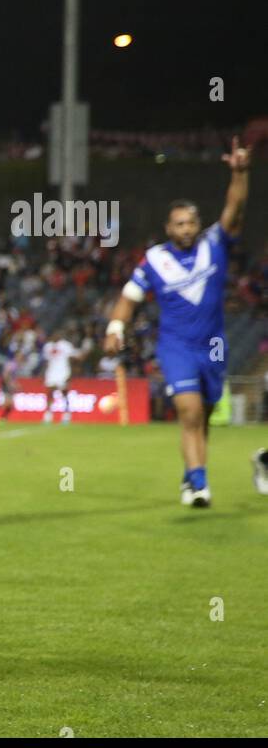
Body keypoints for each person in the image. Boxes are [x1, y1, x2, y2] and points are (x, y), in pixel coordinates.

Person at [103, 137, 249, 507]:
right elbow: (128, 298)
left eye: (191, 223)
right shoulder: (153, 260)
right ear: (168, 228)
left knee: (204, 413)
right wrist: (115, 328)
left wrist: (240, 173)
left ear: (198, 224)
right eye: (179, 224)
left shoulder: (214, 244)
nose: (186, 229)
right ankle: (200, 484)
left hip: (214, 345)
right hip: (176, 346)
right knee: (188, 411)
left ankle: (191, 475)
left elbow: (236, 205)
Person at [40, 328, 78, 424]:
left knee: (64, 393)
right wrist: (44, 373)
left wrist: (70, 373)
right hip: (51, 372)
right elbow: (46, 361)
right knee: (50, 393)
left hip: (63, 371)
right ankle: (48, 414)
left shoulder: (66, 345)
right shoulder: (47, 346)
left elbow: (71, 359)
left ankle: (66, 413)